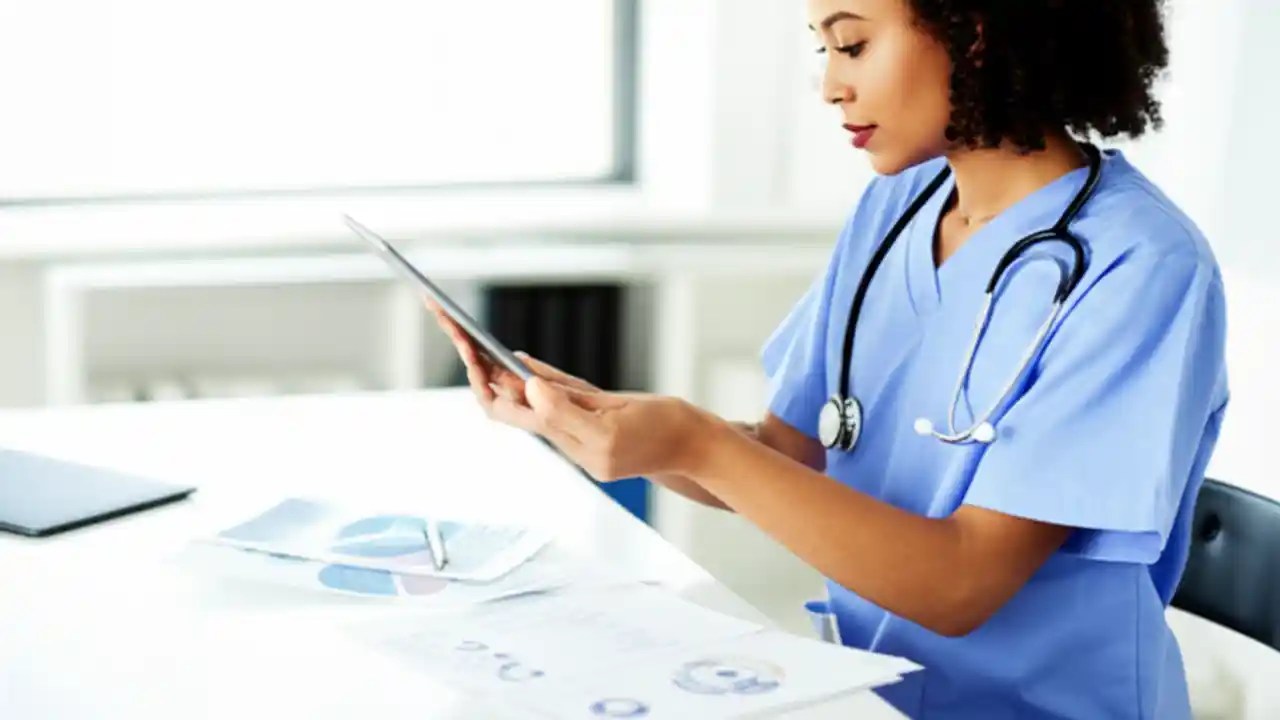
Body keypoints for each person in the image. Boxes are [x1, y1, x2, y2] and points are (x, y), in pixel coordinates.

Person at [431, 0, 1229, 717]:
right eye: (823, 49)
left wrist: (693, 443)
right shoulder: (897, 207)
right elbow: (784, 456)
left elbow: (961, 587)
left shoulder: (1141, 266)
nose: (830, 88)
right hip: (869, 694)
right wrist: (597, 422)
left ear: (977, 30)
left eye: (851, 44)